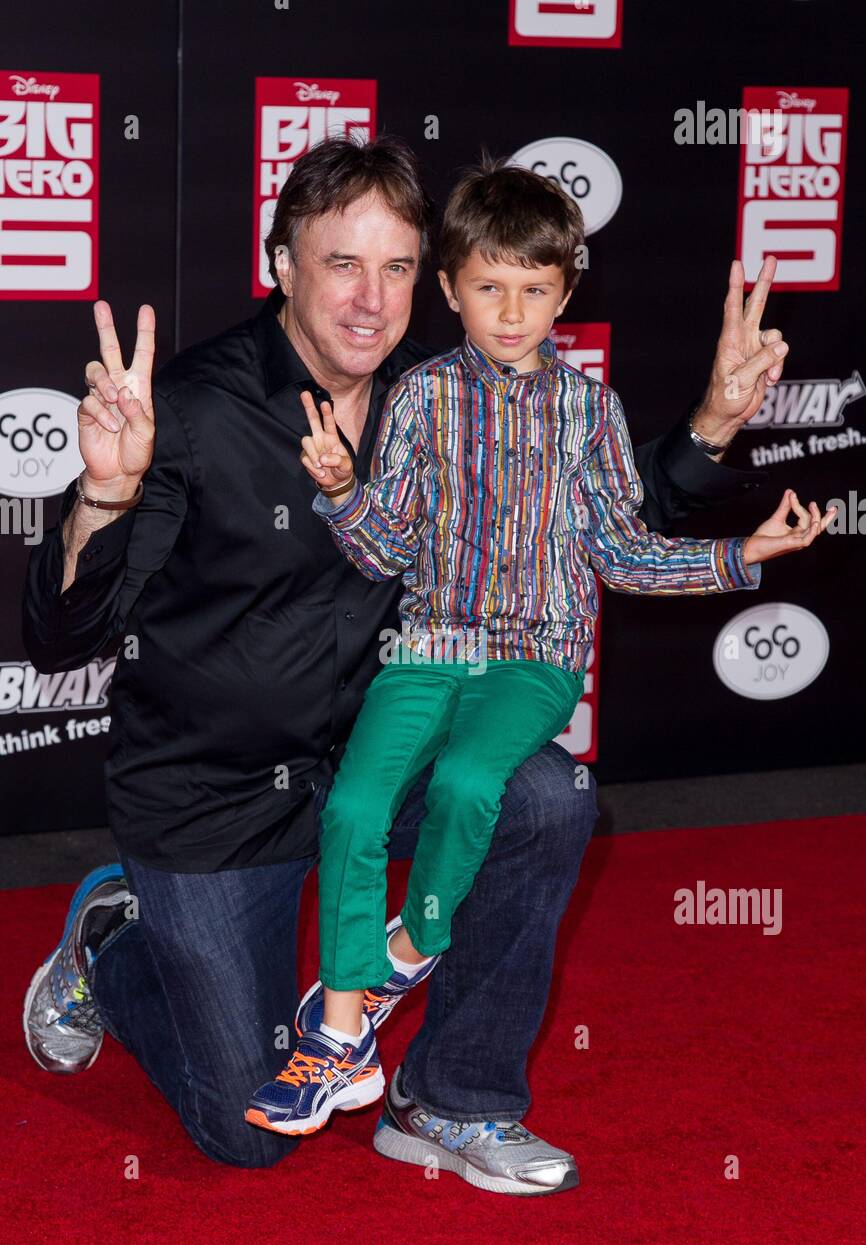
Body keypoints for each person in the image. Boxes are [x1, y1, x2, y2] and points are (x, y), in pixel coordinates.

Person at [22, 134, 795, 1194]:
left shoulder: (440, 402)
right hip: (214, 790)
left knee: (543, 797)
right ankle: (112, 941)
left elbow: (590, 530)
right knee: (246, 1132)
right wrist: (104, 496)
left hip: (371, 756)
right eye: (339, 262)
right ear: (280, 264)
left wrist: (711, 422)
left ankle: (451, 1096)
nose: (367, 299)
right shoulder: (193, 411)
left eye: (393, 267)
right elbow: (62, 637)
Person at [244, 157, 833, 1143]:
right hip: (427, 648)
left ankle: (410, 943)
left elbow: (625, 553)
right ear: (449, 288)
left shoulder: (586, 410)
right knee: (350, 805)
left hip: (532, 659)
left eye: (533, 291)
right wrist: (343, 489)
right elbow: (384, 546)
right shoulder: (422, 398)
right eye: (486, 288)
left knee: (476, 783)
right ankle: (336, 1037)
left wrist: (741, 554)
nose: (509, 313)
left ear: (565, 291)